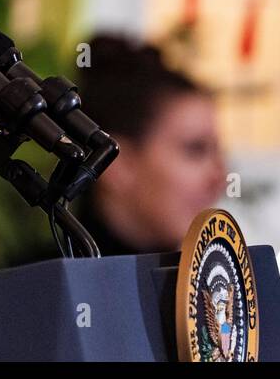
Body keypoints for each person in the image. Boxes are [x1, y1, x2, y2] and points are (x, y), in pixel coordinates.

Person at [70, 34, 227, 255]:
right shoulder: (42, 284)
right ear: (116, 163)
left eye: (218, 152)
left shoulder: (206, 283)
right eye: (195, 150)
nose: (219, 177)